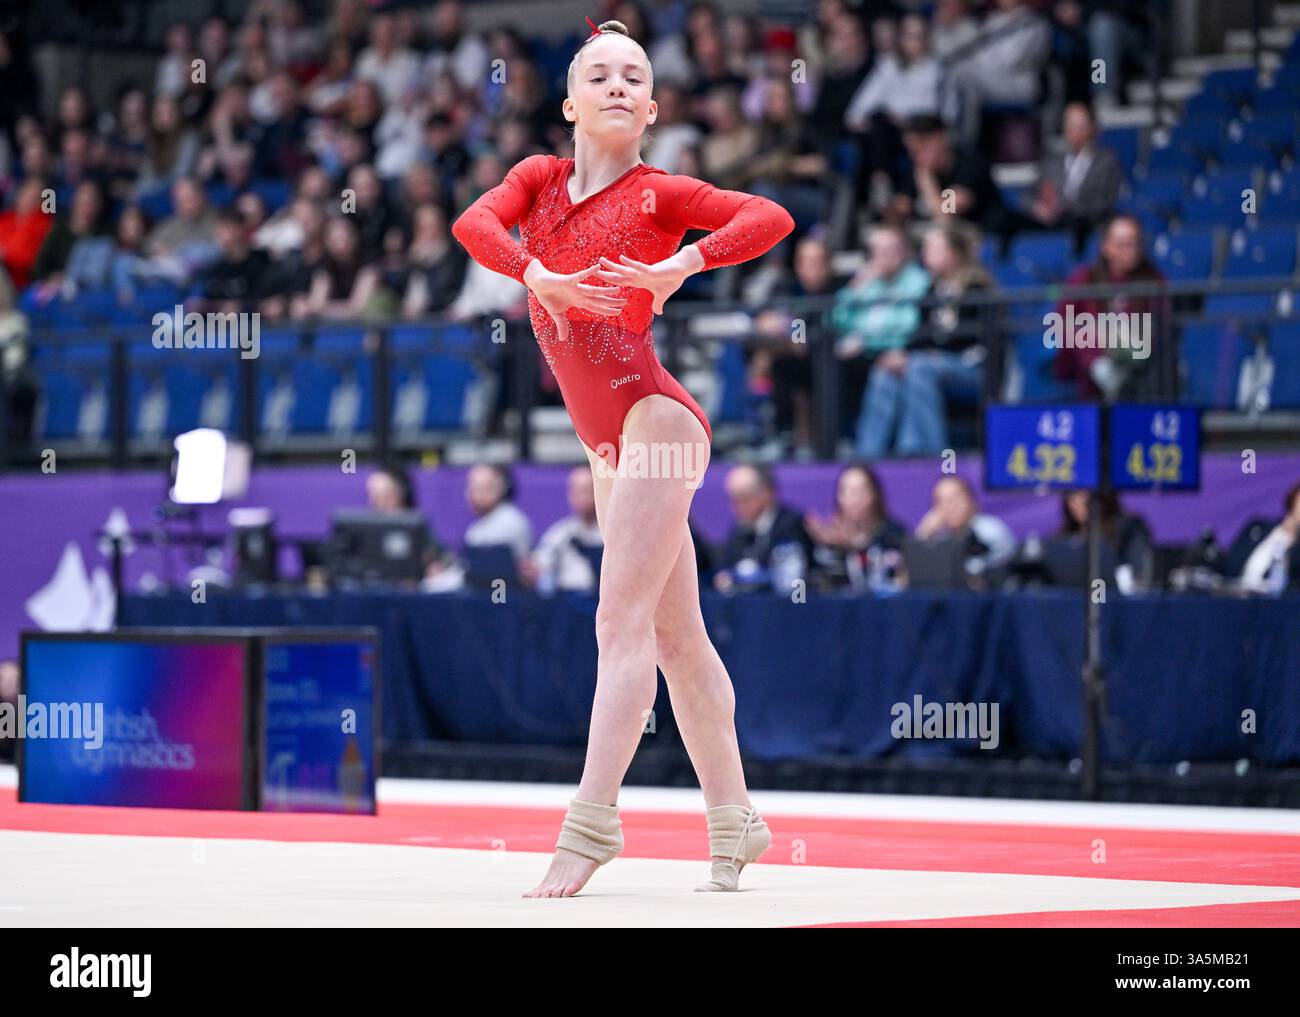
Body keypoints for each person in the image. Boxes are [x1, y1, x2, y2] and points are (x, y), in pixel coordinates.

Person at [452, 18, 794, 897]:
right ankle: (737, 820)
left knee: (620, 623)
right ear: (568, 102)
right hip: (607, 446)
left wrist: (685, 262)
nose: (616, 85)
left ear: (650, 108)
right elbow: (471, 221)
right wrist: (537, 274)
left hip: (657, 420)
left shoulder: (657, 194)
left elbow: (772, 214)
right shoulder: (538, 182)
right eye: (598, 74)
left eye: (633, 77)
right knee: (677, 637)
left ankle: (592, 825)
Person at [856, 223, 992, 458]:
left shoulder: (977, 288)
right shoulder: (932, 289)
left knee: (919, 367)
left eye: (934, 249)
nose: (926, 255)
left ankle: (926, 453)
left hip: (972, 368)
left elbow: (972, 339)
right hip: (935, 363)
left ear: (953, 254)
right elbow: (921, 334)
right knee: (886, 372)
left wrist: (932, 354)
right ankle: (868, 456)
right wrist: (900, 355)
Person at [1052, 212, 1168, 401]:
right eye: (1123, 245)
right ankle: (1107, 377)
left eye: (1136, 243)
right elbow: (1061, 321)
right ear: (1106, 247)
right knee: (1081, 332)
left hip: (1136, 353)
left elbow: (1162, 324)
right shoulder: (1085, 279)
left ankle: (1116, 384)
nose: (1132, 250)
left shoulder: (1153, 279)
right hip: (1091, 361)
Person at [1030, 102, 1123, 249]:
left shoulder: (1106, 161)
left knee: (1076, 223)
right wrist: (1037, 207)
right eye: (1070, 124)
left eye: (1081, 125)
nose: (1075, 130)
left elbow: (1103, 202)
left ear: (1093, 127)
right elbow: (1029, 193)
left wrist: (1064, 207)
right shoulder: (1052, 161)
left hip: (1084, 222)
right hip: (1051, 221)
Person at [805, 462, 906, 591]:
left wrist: (856, 546)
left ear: (874, 494)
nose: (853, 498)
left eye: (859, 491)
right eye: (845, 491)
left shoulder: (893, 533)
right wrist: (833, 549)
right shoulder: (829, 540)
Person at [714, 463, 814, 592]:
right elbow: (725, 567)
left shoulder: (791, 524)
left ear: (767, 493)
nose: (735, 507)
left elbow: (791, 577)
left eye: (743, 498)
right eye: (732, 499)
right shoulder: (739, 528)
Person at [914, 476, 1017, 586]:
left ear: (970, 500)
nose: (950, 506)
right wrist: (924, 533)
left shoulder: (990, 530)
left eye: (955, 498)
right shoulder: (938, 539)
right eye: (941, 501)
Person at [1056, 488, 1154, 593]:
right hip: (1072, 601)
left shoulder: (1127, 528)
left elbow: (1138, 580)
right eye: (1072, 496)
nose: (1077, 502)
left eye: (1084, 496)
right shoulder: (1065, 538)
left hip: (1112, 601)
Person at [525, 465, 605, 593]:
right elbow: (541, 561)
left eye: (585, 490)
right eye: (575, 491)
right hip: (566, 601)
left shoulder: (609, 533)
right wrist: (532, 568)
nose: (580, 497)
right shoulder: (562, 531)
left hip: (599, 598)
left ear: (598, 491)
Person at [463, 463, 533, 564]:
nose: (470, 495)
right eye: (470, 488)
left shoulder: (510, 522)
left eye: (479, 488)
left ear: (502, 489)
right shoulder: (478, 526)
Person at [1240, 482, 1300, 594]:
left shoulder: (1297, 549)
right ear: (1294, 499)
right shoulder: (1257, 528)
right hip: (1234, 594)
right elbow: (1231, 562)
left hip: (1269, 603)